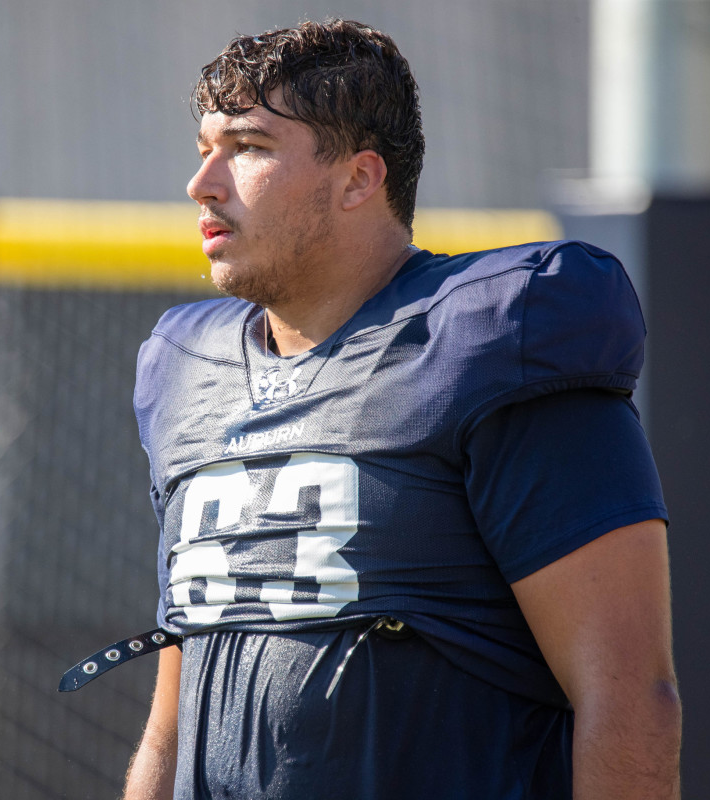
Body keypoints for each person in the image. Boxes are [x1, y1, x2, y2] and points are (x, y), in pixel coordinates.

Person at [122, 18, 680, 799]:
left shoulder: (495, 340)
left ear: (358, 179)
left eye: (247, 147)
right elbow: (171, 727)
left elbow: (627, 699)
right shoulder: (190, 373)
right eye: (204, 149)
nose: (203, 184)